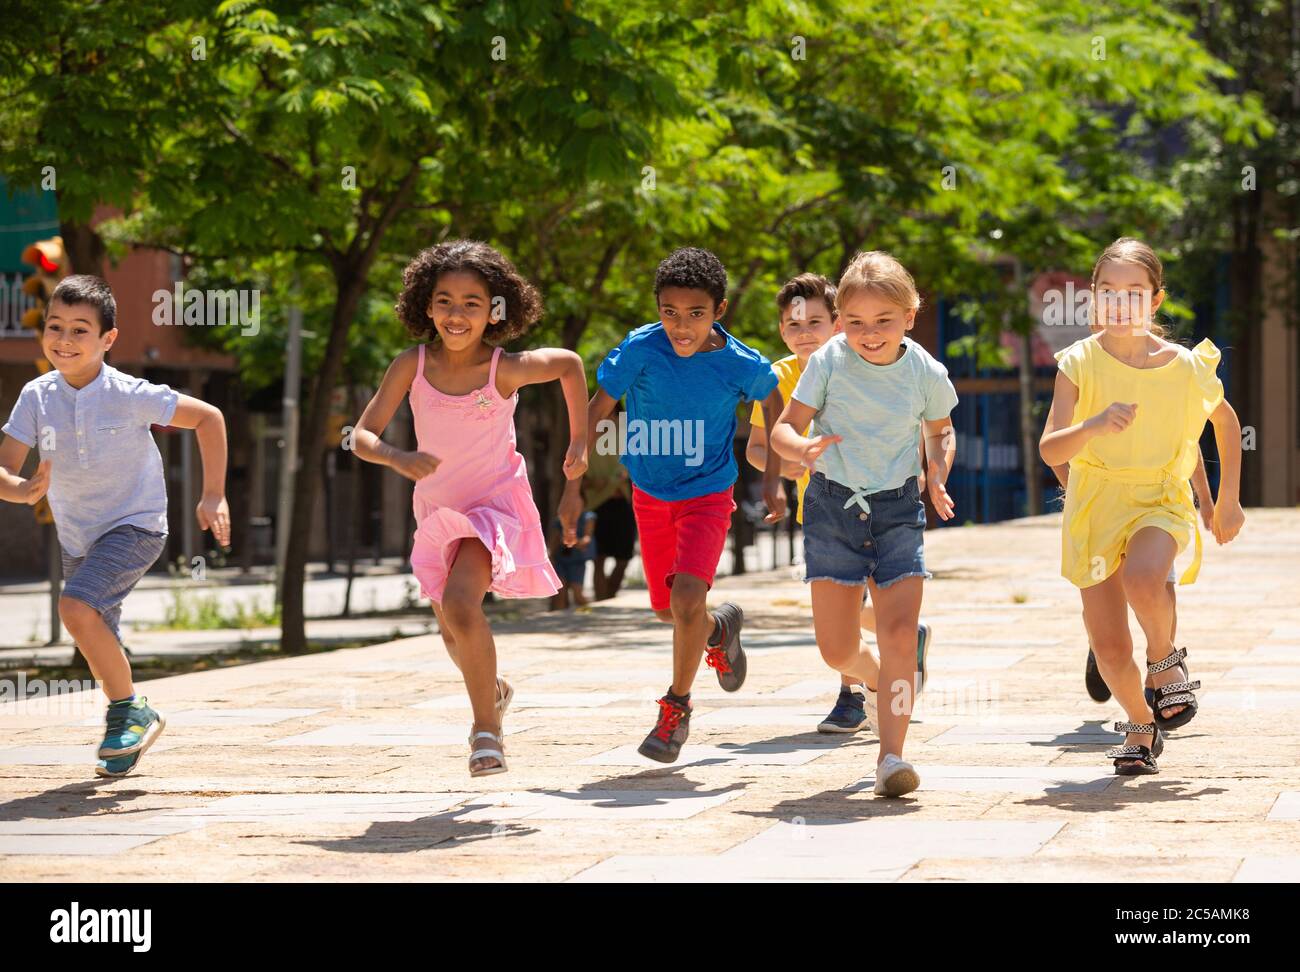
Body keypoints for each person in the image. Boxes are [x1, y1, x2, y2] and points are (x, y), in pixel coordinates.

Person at [352, 240, 589, 777]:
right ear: (425, 304)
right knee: (450, 631)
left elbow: (571, 366)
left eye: (472, 303)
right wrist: (397, 455)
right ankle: (496, 691)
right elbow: (362, 436)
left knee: (462, 607)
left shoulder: (503, 370)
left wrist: (580, 444)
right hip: (437, 513)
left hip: (493, 507)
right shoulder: (409, 365)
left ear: (495, 309)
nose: (456, 315)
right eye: (444, 301)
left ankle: (487, 731)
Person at [561, 247, 785, 763]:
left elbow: (771, 401)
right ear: (657, 308)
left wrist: (771, 477)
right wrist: (572, 489)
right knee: (670, 612)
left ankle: (675, 711)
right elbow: (595, 414)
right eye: (669, 313)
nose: (681, 327)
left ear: (719, 311)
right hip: (650, 493)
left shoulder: (740, 363)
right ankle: (719, 629)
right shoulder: (640, 349)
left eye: (696, 314)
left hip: (708, 493)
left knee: (685, 599)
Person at [0, 274, 230, 779]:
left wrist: (212, 493)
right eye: (55, 326)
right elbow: (6, 466)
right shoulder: (37, 397)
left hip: (136, 526)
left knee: (75, 608)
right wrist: (19, 489)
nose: (64, 339)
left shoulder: (130, 394)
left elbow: (209, 418)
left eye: (80, 330)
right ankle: (127, 733)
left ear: (108, 339)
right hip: (78, 535)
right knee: (96, 633)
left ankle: (126, 709)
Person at [1039, 237, 1245, 775]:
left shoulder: (1183, 366)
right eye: (1108, 290)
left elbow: (1223, 423)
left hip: (1158, 497)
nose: (1119, 302)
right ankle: (1140, 722)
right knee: (1107, 647)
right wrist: (1092, 425)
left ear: (1155, 301)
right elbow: (1051, 447)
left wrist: (1225, 502)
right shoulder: (1078, 363)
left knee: (1147, 577)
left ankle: (1164, 661)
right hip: (1095, 506)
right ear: (1092, 298)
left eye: (1134, 291)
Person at [771, 251, 957, 797]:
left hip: (899, 509)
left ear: (910, 316)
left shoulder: (926, 371)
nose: (868, 334)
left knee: (900, 634)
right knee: (836, 650)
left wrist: (937, 470)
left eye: (883, 322)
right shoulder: (827, 360)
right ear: (840, 319)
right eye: (855, 322)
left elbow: (940, 430)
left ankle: (891, 757)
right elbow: (785, 427)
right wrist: (801, 448)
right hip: (832, 508)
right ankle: (873, 680)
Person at [744, 272, 933, 735]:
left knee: (875, 599)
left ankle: (855, 694)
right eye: (793, 326)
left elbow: (913, 422)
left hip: (882, 502)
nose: (803, 333)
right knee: (841, 615)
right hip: (823, 505)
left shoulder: (859, 361)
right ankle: (886, 662)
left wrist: (922, 468)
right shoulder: (778, 377)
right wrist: (785, 468)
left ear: (836, 324)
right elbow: (758, 445)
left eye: (814, 322)